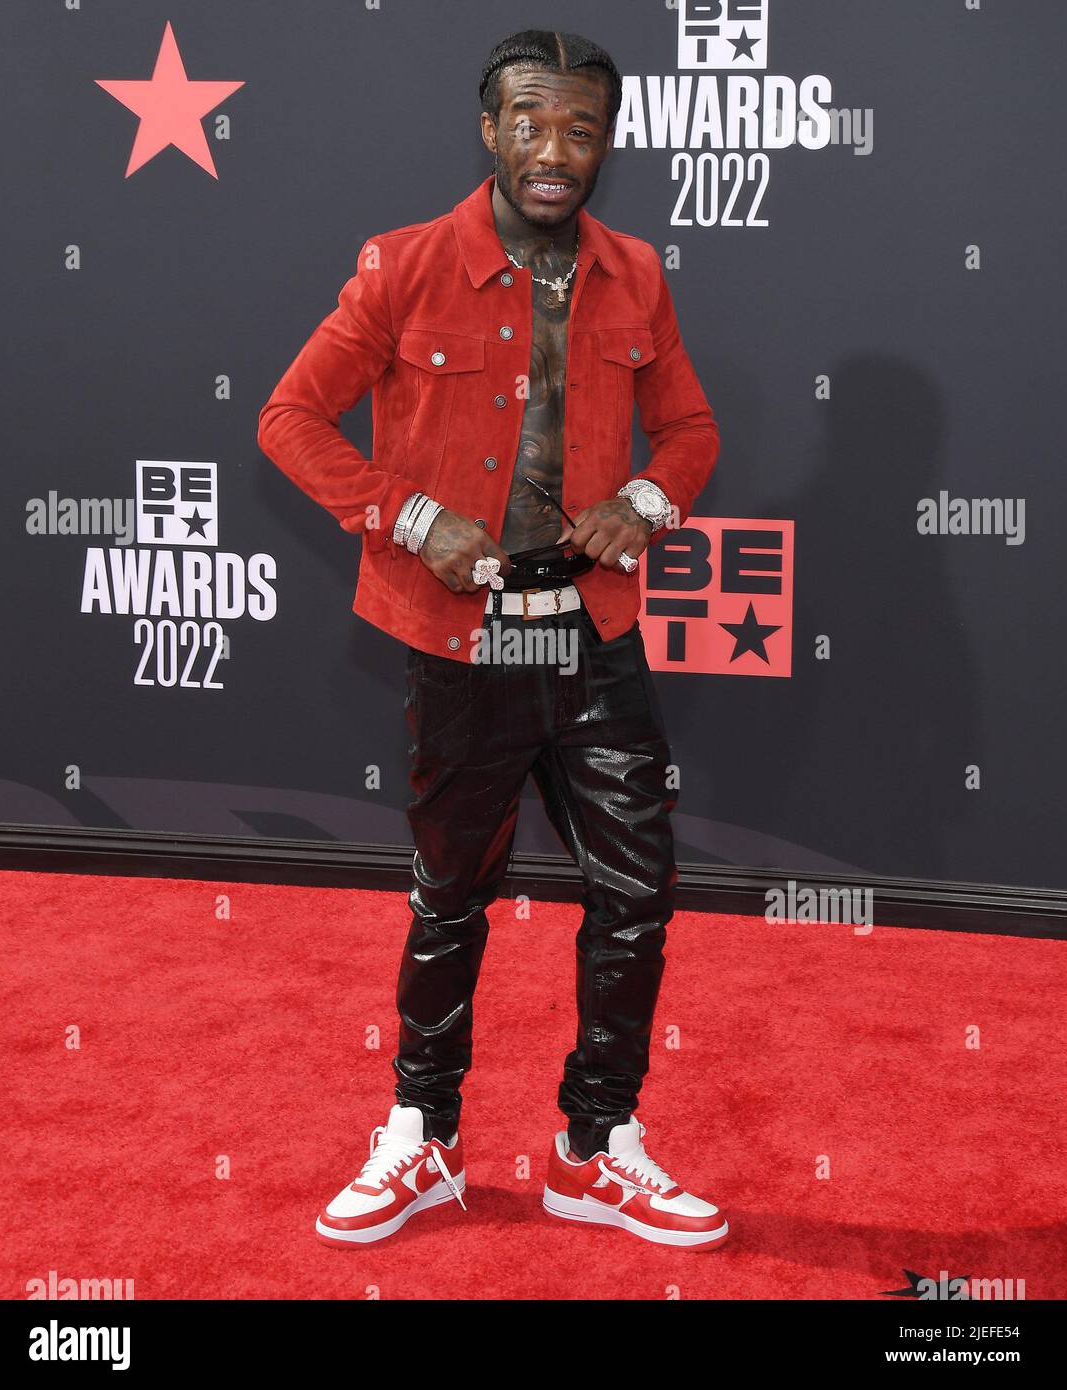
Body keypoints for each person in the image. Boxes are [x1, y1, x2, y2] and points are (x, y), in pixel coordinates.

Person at [257, 28, 727, 1250]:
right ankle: (422, 1136)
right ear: (488, 128)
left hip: (589, 635)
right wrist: (408, 516)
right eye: (528, 122)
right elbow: (289, 415)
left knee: (637, 891)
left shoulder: (634, 274)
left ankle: (593, 1146)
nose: (553, 151)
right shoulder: (405, 266)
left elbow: (688, 431)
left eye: (579, 127)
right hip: (458, 637)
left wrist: (645, 503)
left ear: (607, 141)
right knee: (447, 898)